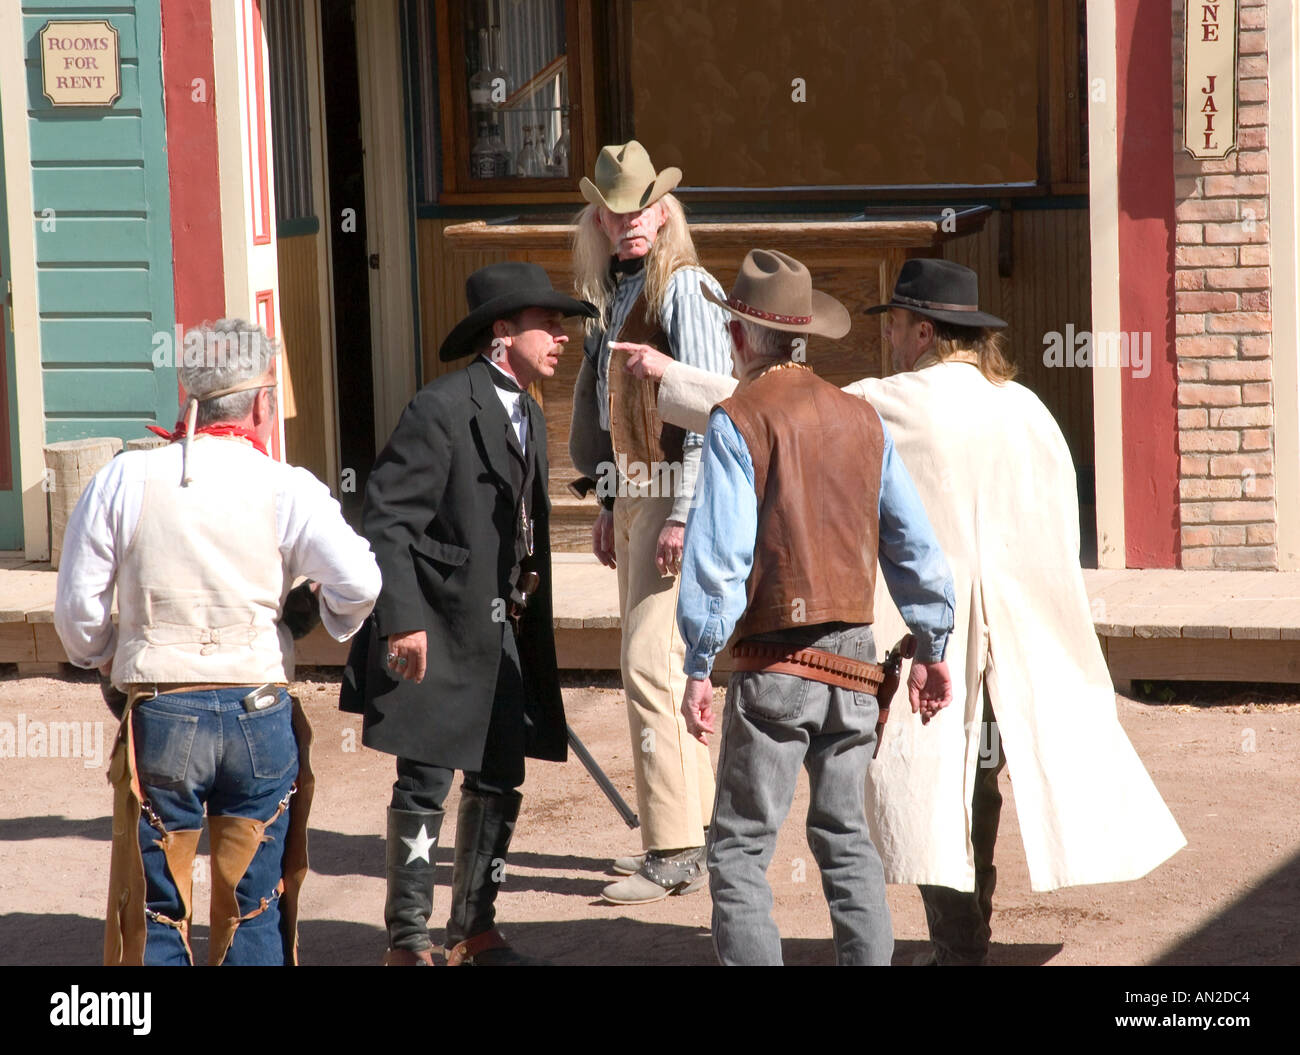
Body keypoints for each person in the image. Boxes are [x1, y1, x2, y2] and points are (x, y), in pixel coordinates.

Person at [634, 257, 1187, 965]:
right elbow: (993, 531)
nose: (891, 339)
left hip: (826, 651)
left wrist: (666, 377)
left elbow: (774, 415)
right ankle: (958, 942)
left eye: (895, 325)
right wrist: (946, 627)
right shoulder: (1028, 410)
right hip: (1011, 632)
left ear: (923, 331)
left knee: (909, 797)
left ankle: (959, 942)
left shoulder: (890, 401)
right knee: (951, 792)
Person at [54, 319, 381, 966]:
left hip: (160, 706)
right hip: (258, 705)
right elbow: (363, 580)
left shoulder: (122, 479)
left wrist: (114, 655)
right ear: (261, 402)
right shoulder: (287, 485)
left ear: (191, 396)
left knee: (156, 909)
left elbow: (76, 622)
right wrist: (317, 616)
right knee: (254, 904)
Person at [674, 249, 956, 966]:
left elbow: (721, 560)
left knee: (738, 848)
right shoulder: (862, 417)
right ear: (802, 337)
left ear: (740, 338)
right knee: (845, 837)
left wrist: (699, 662)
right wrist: (932, 644)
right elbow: (914, 545)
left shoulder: (738, 419)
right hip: (857, 664)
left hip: (774, 664)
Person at [341, 262, 596, 965]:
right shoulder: (442, 407)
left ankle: (474, 928)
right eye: (548, 323)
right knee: (423, 780)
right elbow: (387, 519)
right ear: (502, 331)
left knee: (497, 775)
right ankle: (408, 940)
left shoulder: (531, 411)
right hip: (435, 625)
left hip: (501, 625)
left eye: (565, 323)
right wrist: (402, 619)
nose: (563, 338)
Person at [568, 140, 734, 905]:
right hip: (636, 490)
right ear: (600, 216)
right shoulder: (620, 285)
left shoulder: (684, 285)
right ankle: (696, 835)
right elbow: (612, 411)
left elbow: (711, 404)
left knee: (650, 662)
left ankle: (675, 846)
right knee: (657, 661)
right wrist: (609, 499)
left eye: (642, 208)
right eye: (617, 210)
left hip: (672, 490)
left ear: (664, 210)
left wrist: (686, 511)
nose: (631, 221)